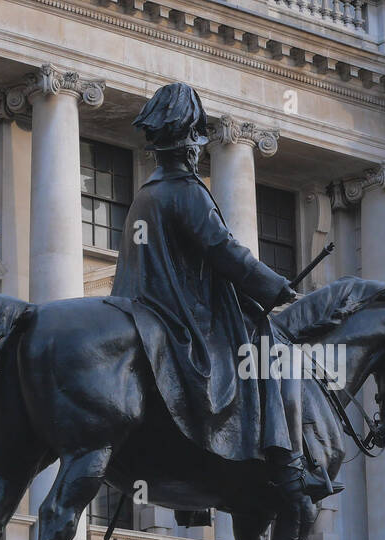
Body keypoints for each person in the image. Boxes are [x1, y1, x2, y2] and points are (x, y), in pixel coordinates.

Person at [110, 82, 312, 503]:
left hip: (148, 306)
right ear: (190, 148)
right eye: (197, 145)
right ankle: (283, 459)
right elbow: (225, 251)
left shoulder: (147, 195)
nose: (198, 152)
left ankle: (196, 501)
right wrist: (275, 288)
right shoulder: (186, 192)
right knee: (267, 345)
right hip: (182, 314)